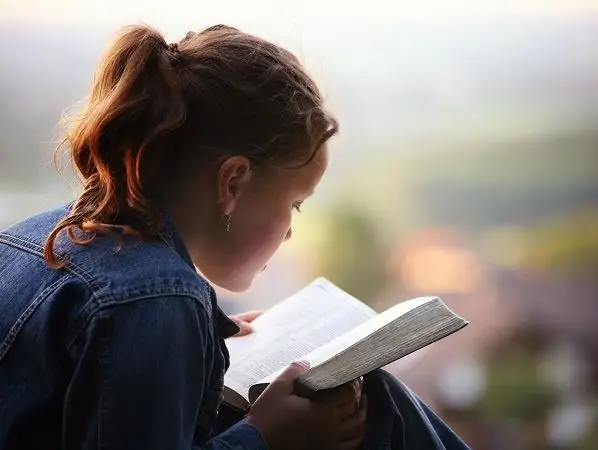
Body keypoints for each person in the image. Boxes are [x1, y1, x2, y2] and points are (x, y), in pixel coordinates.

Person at [0, 24, 469, 450]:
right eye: (294, 204)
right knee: (371, 398)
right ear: (232, 183)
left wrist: (204, 336)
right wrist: (269, 438)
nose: (289, 233)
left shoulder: (27, 240)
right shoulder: (156, 300)